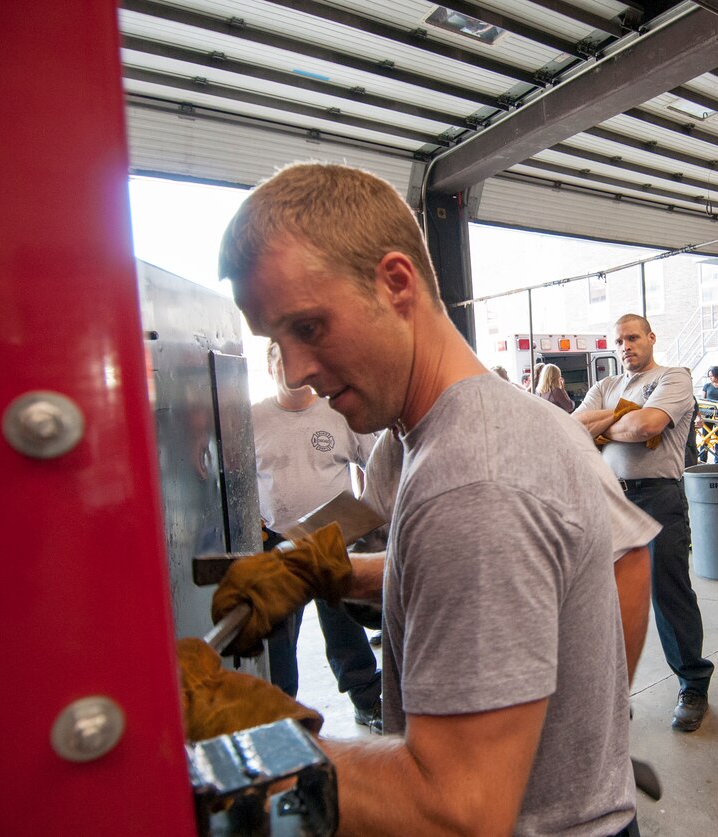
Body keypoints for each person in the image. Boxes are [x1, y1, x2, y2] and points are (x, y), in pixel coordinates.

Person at [219, 162, 639, 836]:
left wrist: (254, 738)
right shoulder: (471, 427)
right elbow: (480, 580)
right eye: (277, 341)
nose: (294, 370)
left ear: (395, 282)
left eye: (309, 327)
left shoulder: (475, 476)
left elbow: (457, 809)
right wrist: (328, 575)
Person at [575, 314, 715, 732]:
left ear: (651, 338)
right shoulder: (606, 386)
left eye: (633, 338)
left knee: (669, 595)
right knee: (605, 599)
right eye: (619, 341)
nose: (625, 346)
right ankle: (612, 692)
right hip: (609, 498)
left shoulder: (674, 378)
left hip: (658, 497)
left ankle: (692, 684)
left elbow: (648, 425)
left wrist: (606, 427)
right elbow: (573, 428)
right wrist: (623, 419)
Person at [251, 340, 383, 730]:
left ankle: (367, 699)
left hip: (335, 540)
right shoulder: (252, 418)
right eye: (281, 359)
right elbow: (236, 479)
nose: (292, 369)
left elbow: (375, 465)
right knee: (278, 636)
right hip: (275, 541)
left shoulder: (338, 413)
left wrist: (367, 521)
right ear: (270, 367)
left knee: (345, 627)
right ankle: (281, 714)